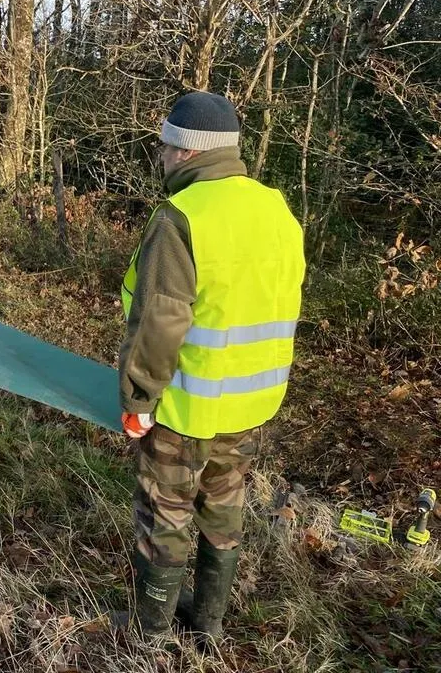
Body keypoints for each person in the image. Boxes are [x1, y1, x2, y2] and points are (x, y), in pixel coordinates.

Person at [116, 91, 305, 643]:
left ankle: (150, 635)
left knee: (166, 515)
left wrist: (138, 401)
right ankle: (210, 625)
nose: (161, 156)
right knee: (224, 511)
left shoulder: (181, 218)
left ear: (183, 151)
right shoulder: (277, 210)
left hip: (183, 406)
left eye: (164, 146)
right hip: (251, 403)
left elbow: (159, 322)